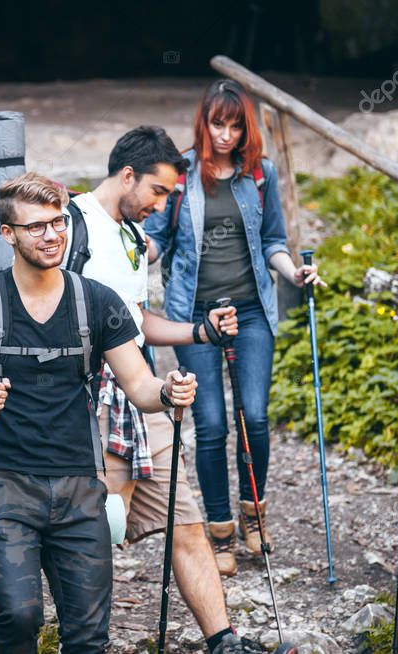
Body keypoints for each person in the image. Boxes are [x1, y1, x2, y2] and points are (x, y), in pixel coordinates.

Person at [0, 172, 197, 654]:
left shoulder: (97, 302)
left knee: (89, 634)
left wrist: (170, 392)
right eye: (36, 227)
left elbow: (141, 387)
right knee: (19, 616)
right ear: (8, 234)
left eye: (58, 222)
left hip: (80, 487)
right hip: (6, 485)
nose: (52, 235)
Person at [68, 125, 269, 654]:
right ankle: (79, 641)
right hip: (88, 402)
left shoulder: (133, 238)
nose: (160, 206)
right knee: (94, 533)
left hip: (143, 393)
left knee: (187, 522)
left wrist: (200, 332)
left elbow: (136, 321)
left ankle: (223, 641)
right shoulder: (71, 224)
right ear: (127, 175)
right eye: (157, 191)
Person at [145, 79, 320, 575]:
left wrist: (294, 274)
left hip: (251, 310)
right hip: (194, 315)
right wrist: (130, 249)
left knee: (255, 417)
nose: (225, 134)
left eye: (235, 125)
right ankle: (220, 531)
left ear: (247, 129)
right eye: (217, 123)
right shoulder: (180, 174)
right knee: (211, 424)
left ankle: (253, 514)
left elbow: (273, 241)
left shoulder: (260, 173)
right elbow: (155, 239)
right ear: (204, 122)